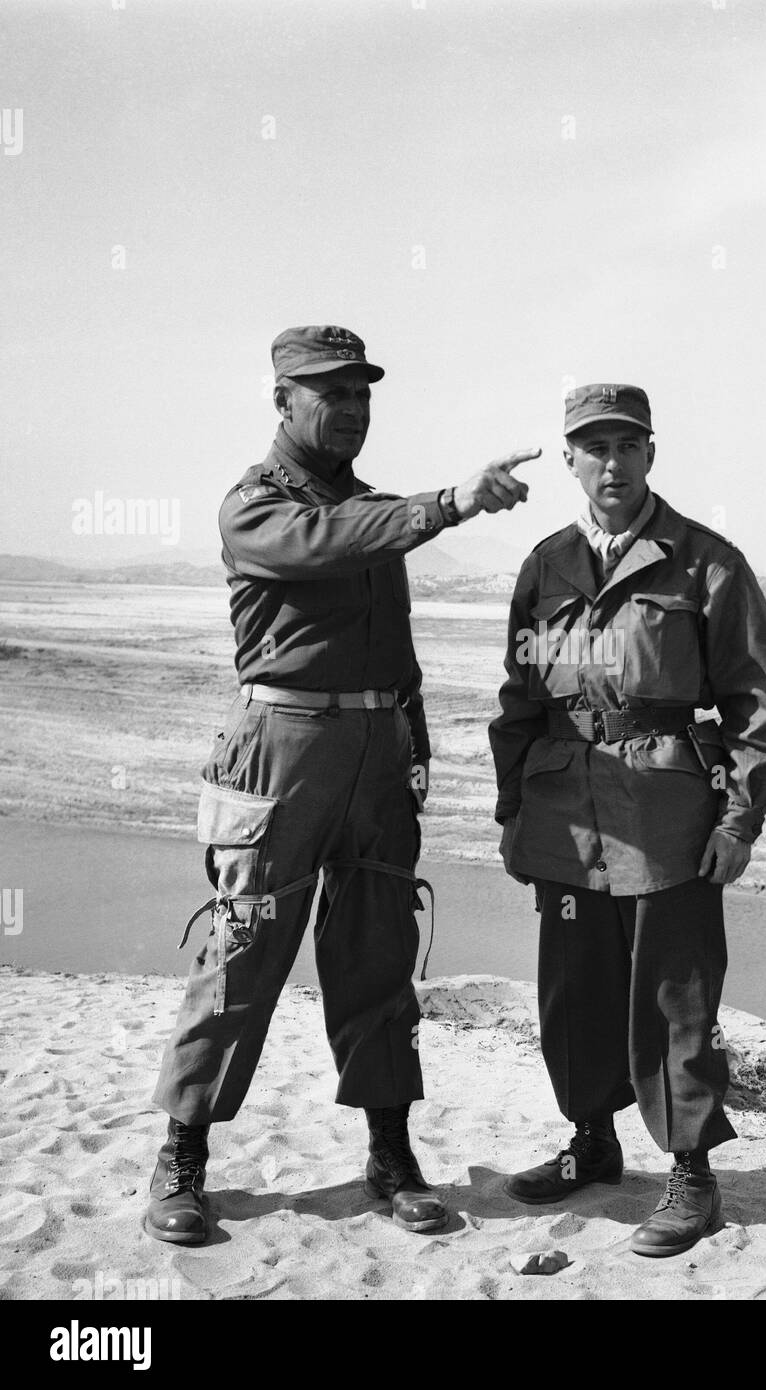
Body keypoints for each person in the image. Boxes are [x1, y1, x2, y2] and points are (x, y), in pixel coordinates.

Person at [146, 324, 537, 1246]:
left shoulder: (372, 506)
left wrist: (414, 748)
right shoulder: (257, 505)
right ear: (284, 402)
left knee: (376, 957)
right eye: (333, 393)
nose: (354, 409)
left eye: (364, 394)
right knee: (243, 954)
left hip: (373, 754)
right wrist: (449, 501)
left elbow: (394, 648)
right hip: (281, 750)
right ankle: (182, 1157)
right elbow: (320, 544)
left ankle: (390, 1155)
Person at [489, 383, 766, 1258]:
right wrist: (512, 808)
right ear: (569, 462)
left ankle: (691, 1172)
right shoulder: (545, 565)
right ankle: (592, 1143)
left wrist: (739, 821)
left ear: (650, 455)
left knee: (675, 996)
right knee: (572, 990)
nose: (611, 464)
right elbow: (519, 701)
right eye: (594, 449)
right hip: (562, 809)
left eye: (627, 447)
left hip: (666, 808)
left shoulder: (704, 562)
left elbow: (762, 707)